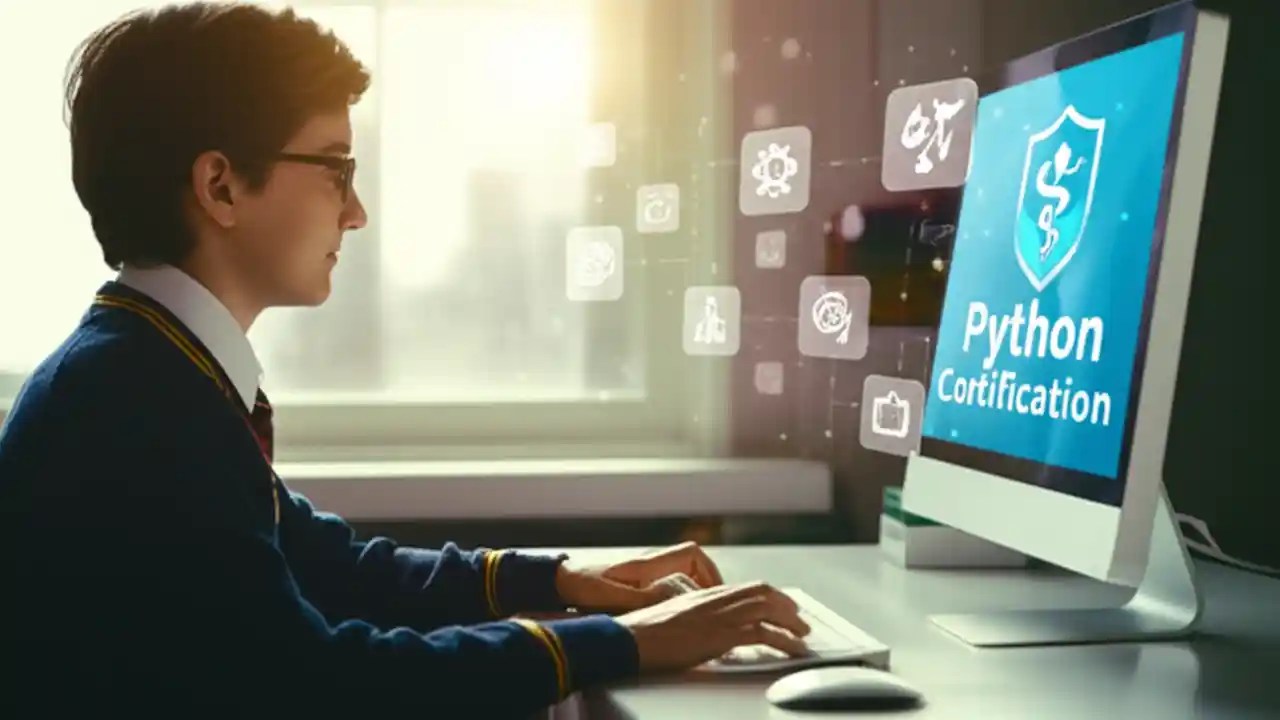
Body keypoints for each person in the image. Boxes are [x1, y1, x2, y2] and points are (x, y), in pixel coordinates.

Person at [0, 2, 809, 716]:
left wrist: (566, 581)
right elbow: (315, 681)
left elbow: (335, 568)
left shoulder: (151, 367)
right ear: (220, 187)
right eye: (334, 169)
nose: (356, 212)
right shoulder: (132, 406)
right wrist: (623, 642)